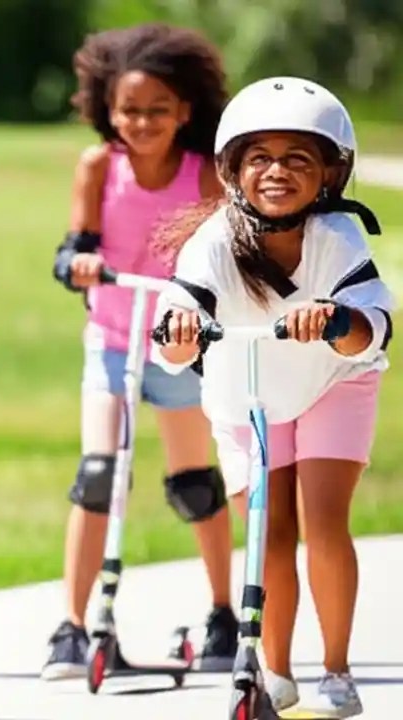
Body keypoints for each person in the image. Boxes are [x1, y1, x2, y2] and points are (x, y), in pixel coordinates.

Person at [151, 75, 392, 718]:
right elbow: (176, 323)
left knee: (323, 520)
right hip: (247, 388)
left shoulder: (338, 238)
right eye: (259, 158)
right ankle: (275, 671)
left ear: (330, 175)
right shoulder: (214, 242)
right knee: (268, 531)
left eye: (298, 159)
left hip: (332, 381)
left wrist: (337, 322)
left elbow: (376, 323)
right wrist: (177, 330)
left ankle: (336, 669)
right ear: (233, 170)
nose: (277, 172)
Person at [43, 23, 239, 680]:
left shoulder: (203, 173)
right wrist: (78, 263)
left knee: (191, 486)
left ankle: (222, 612)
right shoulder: (99, 165)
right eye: (130, 110)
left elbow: (222, 259)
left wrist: (198, 304)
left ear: (185, 111)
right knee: (98, 476)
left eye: (159, 110)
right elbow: (75, 244)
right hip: (112, 339)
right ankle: (73, 628)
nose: (143, 122)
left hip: (178, 346)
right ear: (108, 109)